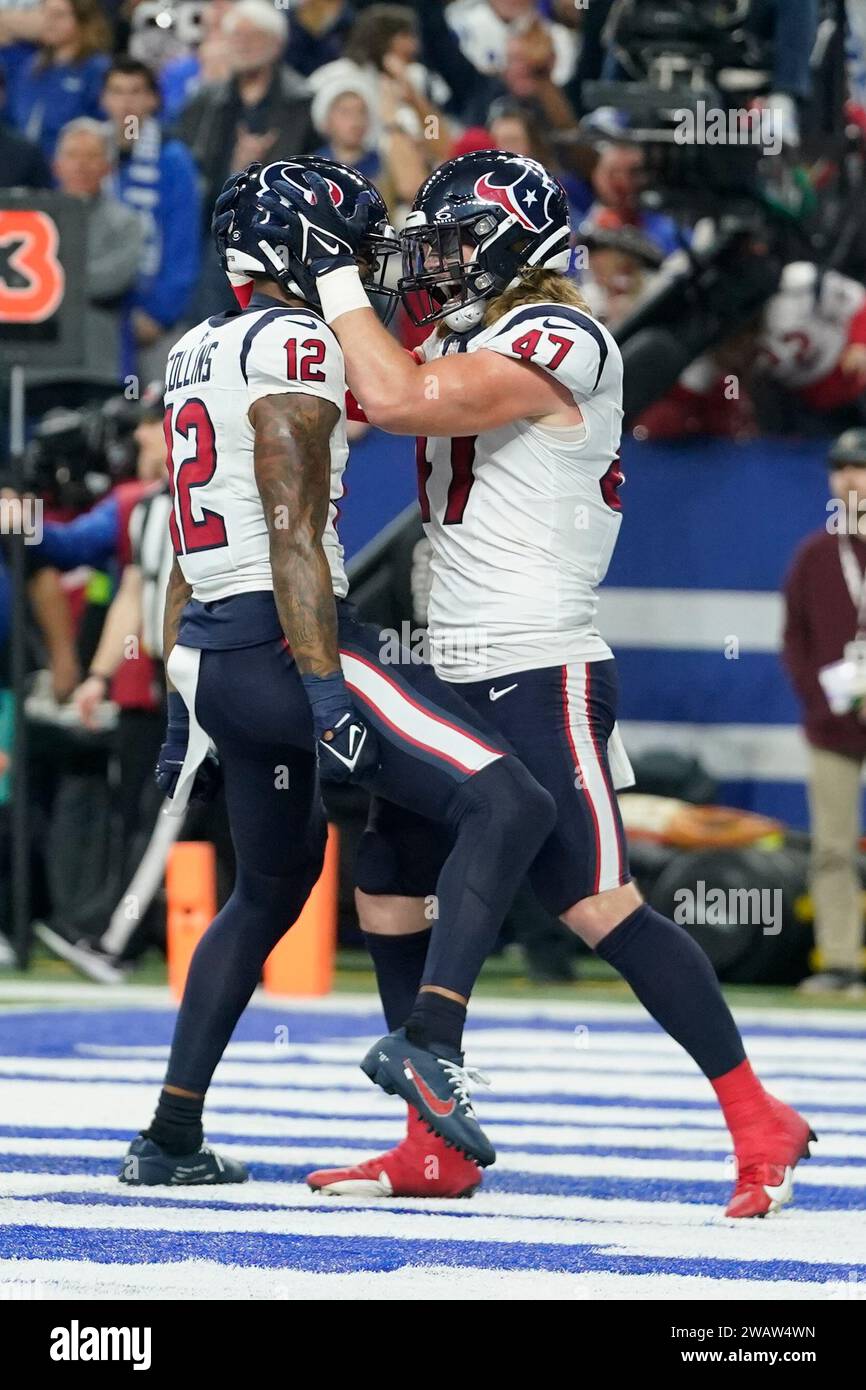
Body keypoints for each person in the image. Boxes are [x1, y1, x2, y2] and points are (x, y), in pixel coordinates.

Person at [274, 149, 815, 1219]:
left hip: (536, 663)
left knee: (598, 905)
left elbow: (393, 393)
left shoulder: (559, 337)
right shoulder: (467, 331)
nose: (435, 262)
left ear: (511, 243)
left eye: (455, 239)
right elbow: (352, 386)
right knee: (387, 872)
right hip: (448, 660)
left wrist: (334, 278)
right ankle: (431, 1137)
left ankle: (756, 1114)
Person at [117, 157, 555, 1188]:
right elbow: (292, 533)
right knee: (509, 800)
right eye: (349, 243)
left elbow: (182, 543)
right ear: (302, 250)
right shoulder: (294, 338)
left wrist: (187, 708)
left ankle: (171, 1132)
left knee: (266, 892)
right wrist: (322, 690)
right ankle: (429, 1041)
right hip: (288, 641)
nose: (364, 262)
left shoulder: (194, 348)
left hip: (220, 654)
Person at [782, 429, 866, 996]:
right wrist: (820, 702)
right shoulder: (815, 554)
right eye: (840, 468)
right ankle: (839, 960)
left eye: (859, 468)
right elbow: (796, 640)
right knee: (832, 847)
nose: (849, 478)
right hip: (833, 726)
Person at [101, 57, 202, 384]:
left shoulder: (173, 160)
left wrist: (160, 312)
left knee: (160, 411)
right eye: (117, 91)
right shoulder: (89, 151)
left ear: (153, 100)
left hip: (154, 320)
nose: (126, 102)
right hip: (100, 317)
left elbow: (182, 241)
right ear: (104, 99)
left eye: (136, 91)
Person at [52, 117, 144, 380]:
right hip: (38, 366)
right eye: (72, 155)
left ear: (108, 167)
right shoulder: (36, 221)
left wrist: (48, 280)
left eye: (91, 156)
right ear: (56, 165)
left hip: (99, 364)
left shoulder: (127, 222)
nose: (81, 165)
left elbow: (112, 281)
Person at [0, 0, 111, 159]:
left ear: (83, 20)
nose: (49, 22)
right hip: (23, 168)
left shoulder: (98, 69)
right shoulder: (29, 66)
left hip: (74, 169)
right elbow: (10, 118)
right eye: (45, 13)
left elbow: (128, 117)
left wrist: (130, 144)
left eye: (59, 15)